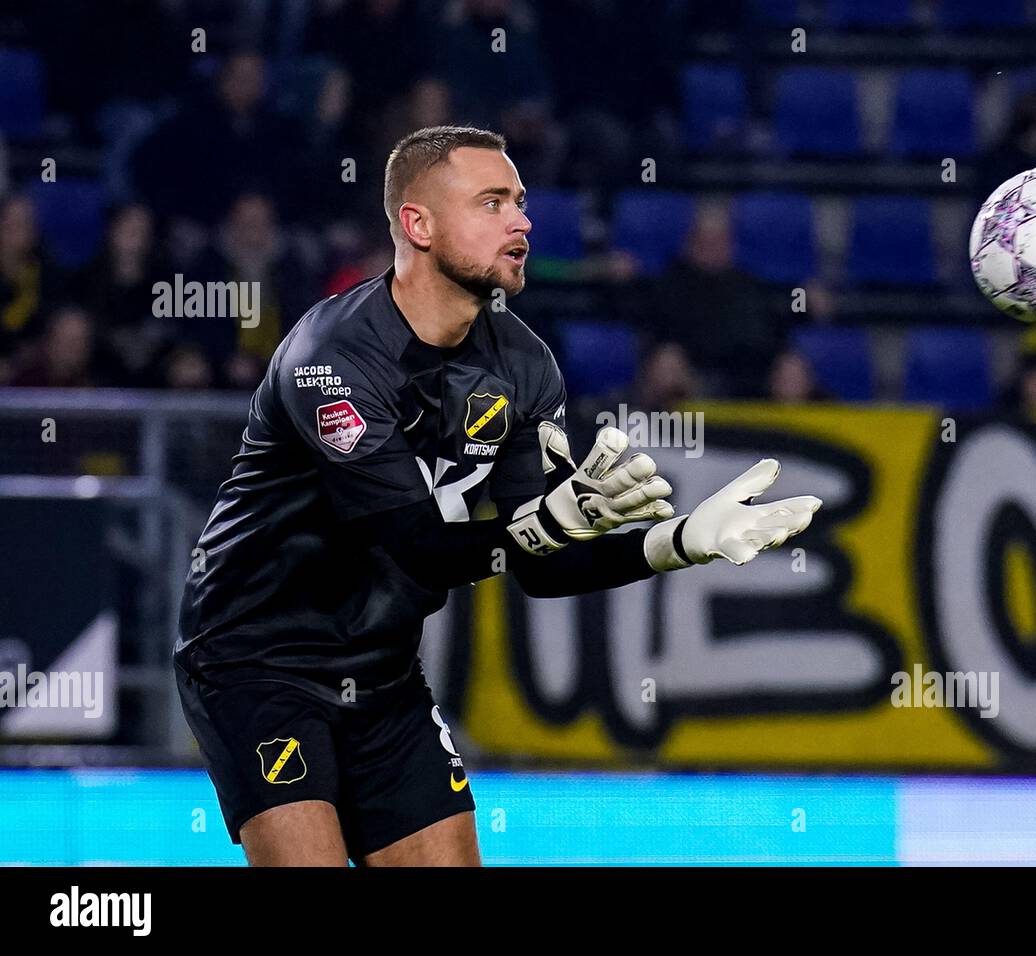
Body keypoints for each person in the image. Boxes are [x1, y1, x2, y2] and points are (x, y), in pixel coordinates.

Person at [173, 126, 821, 867]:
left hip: (382, 671)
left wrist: (675, 542)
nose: (522, 221)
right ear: (417, 226)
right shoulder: (335, 359)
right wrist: (544, 527)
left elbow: (541, 565)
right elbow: (415, 545)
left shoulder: (524, 364)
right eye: (492, 203)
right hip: (257, 662)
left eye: (518, 201)